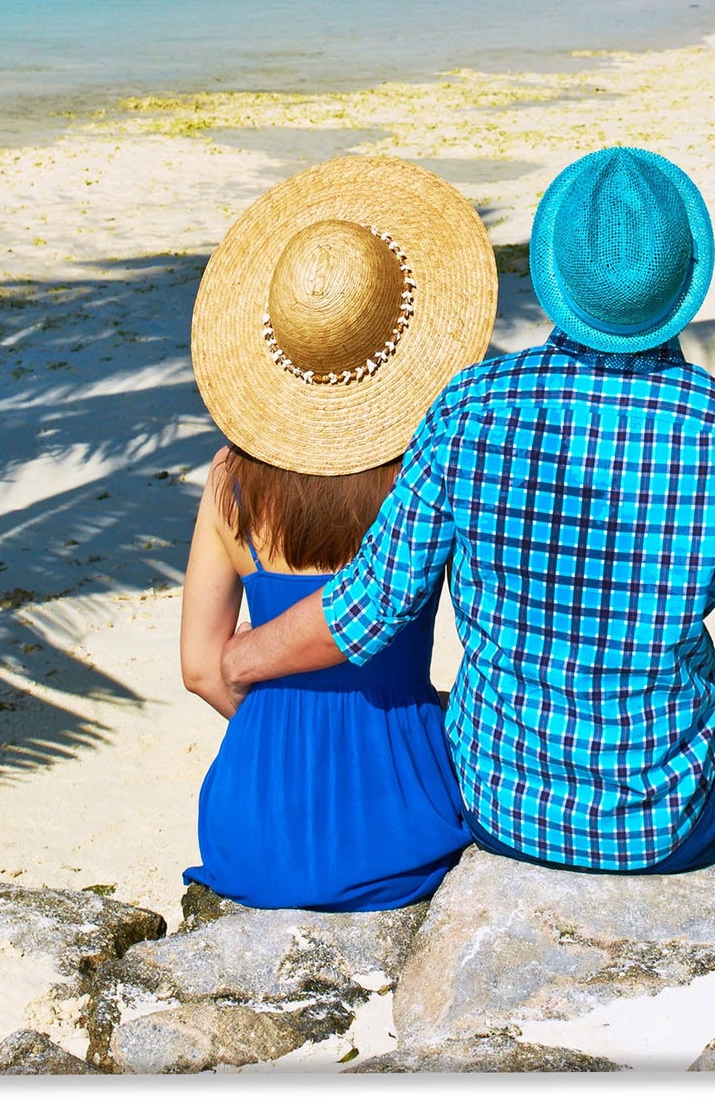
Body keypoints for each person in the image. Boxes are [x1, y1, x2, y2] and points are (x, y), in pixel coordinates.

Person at [220, 146, 715, 927]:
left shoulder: (469, 407)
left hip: (498, 802)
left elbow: (370, 604)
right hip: (658, 823)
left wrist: (243, 656)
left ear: (555, 278)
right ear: (684, 282)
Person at [177, 155, 499, 910]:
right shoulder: (424, 471)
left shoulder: (231, 479)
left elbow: (200, 669)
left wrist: (286, 726)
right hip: (400, 820)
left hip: (250, 828)